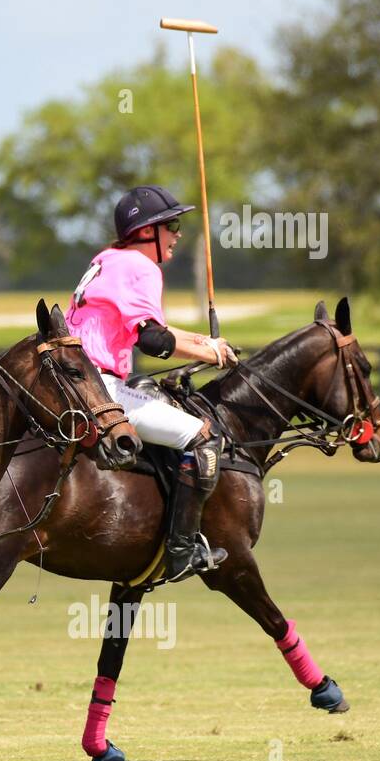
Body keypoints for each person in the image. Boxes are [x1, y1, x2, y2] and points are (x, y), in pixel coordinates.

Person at [65, 185, 239, 583]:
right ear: (146, 232)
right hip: (97, 389)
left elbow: (150, 327)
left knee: (146, 386)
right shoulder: (142, 268)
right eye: (171, 225)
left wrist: (203, 342)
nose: (178, 234)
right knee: (204, 437)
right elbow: (152, 340)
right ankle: (182, 550)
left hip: (71, 382)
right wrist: (206, 355)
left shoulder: (108, 259)